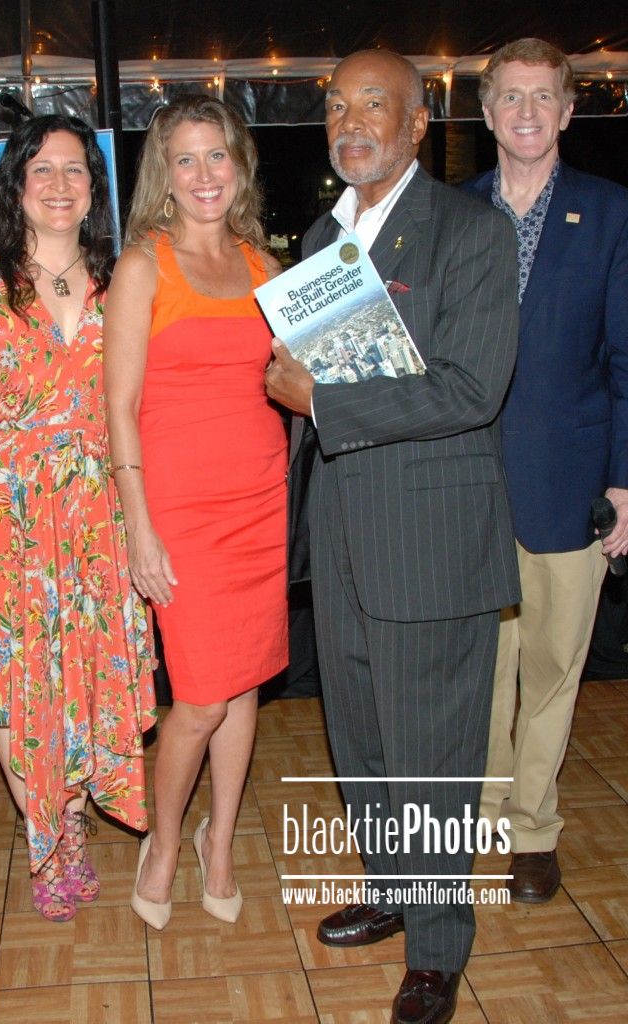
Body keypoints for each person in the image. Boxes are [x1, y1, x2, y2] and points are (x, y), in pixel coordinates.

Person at [265, 51, 520, 1023]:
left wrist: (320, 400)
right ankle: (392, 888)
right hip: (340, 527)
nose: (350, 121)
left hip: (429, 537)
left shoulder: (470, 231)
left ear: (418, 123)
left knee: (432, 757)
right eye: (336, 105)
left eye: (374, 103)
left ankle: (438, 947)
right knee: (363, 738)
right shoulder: (321, 236)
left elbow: (470, 388)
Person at [0, 115, 156, 923]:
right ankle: (49, 842)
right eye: (41, 169)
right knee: (16, 686)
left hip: (98, 520)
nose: (58, 184)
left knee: (84, 680)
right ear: (17, 186)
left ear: (94, 189)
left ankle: (71, 823)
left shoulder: (122, 282)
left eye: (74, 169)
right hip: (4, 521)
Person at [104, 96, 287, 930]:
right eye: (187, 158)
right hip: (180, 510)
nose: (205, 173)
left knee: (242, 684)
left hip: (260, 500)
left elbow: (299, 374)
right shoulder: (143, 266)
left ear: (239, 167)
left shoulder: (266, 268)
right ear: (165, 175)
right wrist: (138, 527)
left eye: (219, 155)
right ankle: (167, 840)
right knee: (203, 697)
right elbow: (119, 407)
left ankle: (220, 843)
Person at [466, 39, 628, 903]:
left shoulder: (611, 212)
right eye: (511, 96)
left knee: (555, 669)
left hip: (572, 485)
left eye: (543, 97)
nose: (526, 112)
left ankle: (532, 830)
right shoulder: (452, 212)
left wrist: (625, 484)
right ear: (486, 112)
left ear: (567, 111)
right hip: (470, 488)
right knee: (482, 674)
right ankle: (483, 814)